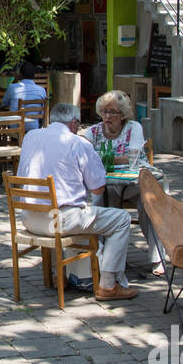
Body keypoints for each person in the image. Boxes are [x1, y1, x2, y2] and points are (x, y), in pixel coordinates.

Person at [16, 102, 138, 301]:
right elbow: (97, 188)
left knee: (78, 213)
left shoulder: (30, 137)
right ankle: (108, 285)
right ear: (73, 123)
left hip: (29, 218)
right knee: (122, 218)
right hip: (61, 220)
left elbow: (22, 175)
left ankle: (60, 276)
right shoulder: (77, 142)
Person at [81, 90, 164, 275]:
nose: (107, 116)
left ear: (123, 114)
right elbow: (81, 153)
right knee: (102, 198)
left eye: (112, 112)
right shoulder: (93, 131)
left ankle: (157, 257)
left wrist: (102, 158)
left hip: (135, 184)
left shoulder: (133, 127)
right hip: (107, 184)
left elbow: (132, 157)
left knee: (147, 203)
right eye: (104, 111)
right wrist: (111, 158)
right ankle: (106, 256)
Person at [5, 61, 48, 131]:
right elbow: (42, 112)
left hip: (16, 127)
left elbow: (4, 103)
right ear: (34, 75)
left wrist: (15, 80)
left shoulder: (12, 88)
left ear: (20, 75)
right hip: (34, 127)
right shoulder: (42, 90)